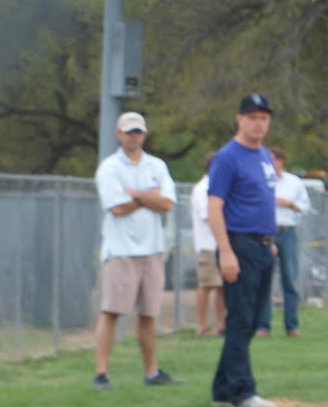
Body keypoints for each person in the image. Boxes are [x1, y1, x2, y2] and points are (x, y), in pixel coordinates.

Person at [91, 110, 180, 389]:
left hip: (152, 250)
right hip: (120, 251)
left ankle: (151, 372)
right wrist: (149, 195)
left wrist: (137, 195)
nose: (134, 137)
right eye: (129, 132)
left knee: (149, 314)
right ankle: (101, 373)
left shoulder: (157, 165)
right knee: (112, 311)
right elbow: (117, 208)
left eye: (138, 131)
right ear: (119, 135)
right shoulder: (109, 168)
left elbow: (167, 203)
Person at [204, 93, 279, 407]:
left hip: (262, 245)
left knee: (251, 321)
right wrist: (226, 251)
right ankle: (241, 393)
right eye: (253, 117)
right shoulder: (228, 157)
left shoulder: (263, 154)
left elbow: (262, 199)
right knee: (241, 319)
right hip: (240, 245)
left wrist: (269, 238)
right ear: (240, 119)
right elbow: (214, 206)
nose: (259, 123)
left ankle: (223, 388)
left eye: (264, 117)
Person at [256, 146, 311, 337]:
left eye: (277, 160)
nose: (274, 163)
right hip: (266, 233)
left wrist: (290, 204)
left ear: (282, 161)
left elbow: (305, 207)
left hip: (287, 232)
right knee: (264, 280)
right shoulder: (260, 181)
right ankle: (263, 326)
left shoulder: (294, 182)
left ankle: (292, 325)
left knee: (290, 280)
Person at [189, 155, 226, 337]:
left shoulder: (216, 187)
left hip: (220, 246)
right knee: (206, 286)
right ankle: (201, 325)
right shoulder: (202, 188)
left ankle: (221, 324)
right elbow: (209, 216)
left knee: (221, 287)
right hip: (208, 245)